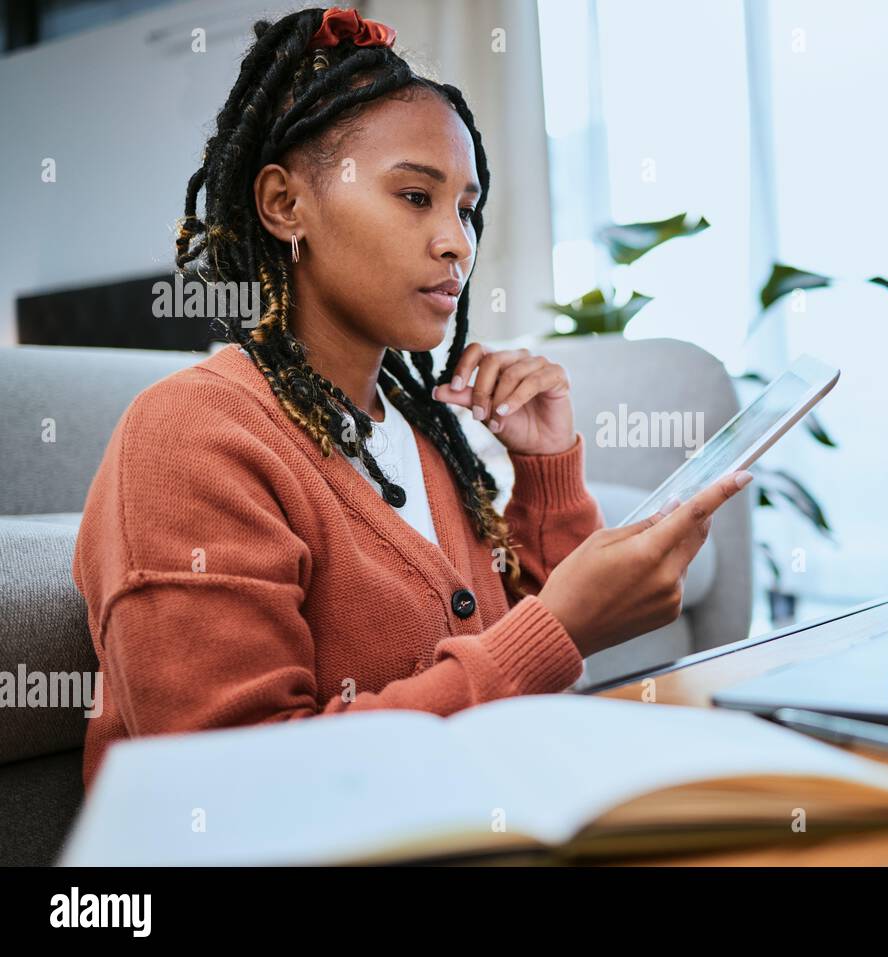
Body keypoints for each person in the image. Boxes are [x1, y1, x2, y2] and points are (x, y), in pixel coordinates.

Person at [71, 6, 751, 790]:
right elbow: (229, 784)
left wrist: (547, 470)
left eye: (466, 207)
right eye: (416, 197)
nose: (458, 240)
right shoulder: (190, 434)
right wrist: (558, 628)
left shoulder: (419, 431)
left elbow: (520, 631)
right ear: (285, 205)